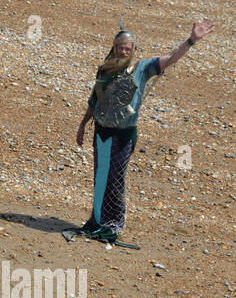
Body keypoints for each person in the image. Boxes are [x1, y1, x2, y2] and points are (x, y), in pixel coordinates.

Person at [73, 19, 214, 243]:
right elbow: (94, 100)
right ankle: (96, 221)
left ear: (132, 50)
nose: (123, 50)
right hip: (101, 130)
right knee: (101, 177)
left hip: (123, 134)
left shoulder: (142, 68)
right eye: (120, 47)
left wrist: (190, 41)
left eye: (127, 48)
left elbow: (170, 59)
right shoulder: (104, 70)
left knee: (116, 179)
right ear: (114, 47)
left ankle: (112, 225)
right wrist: (82, 125)